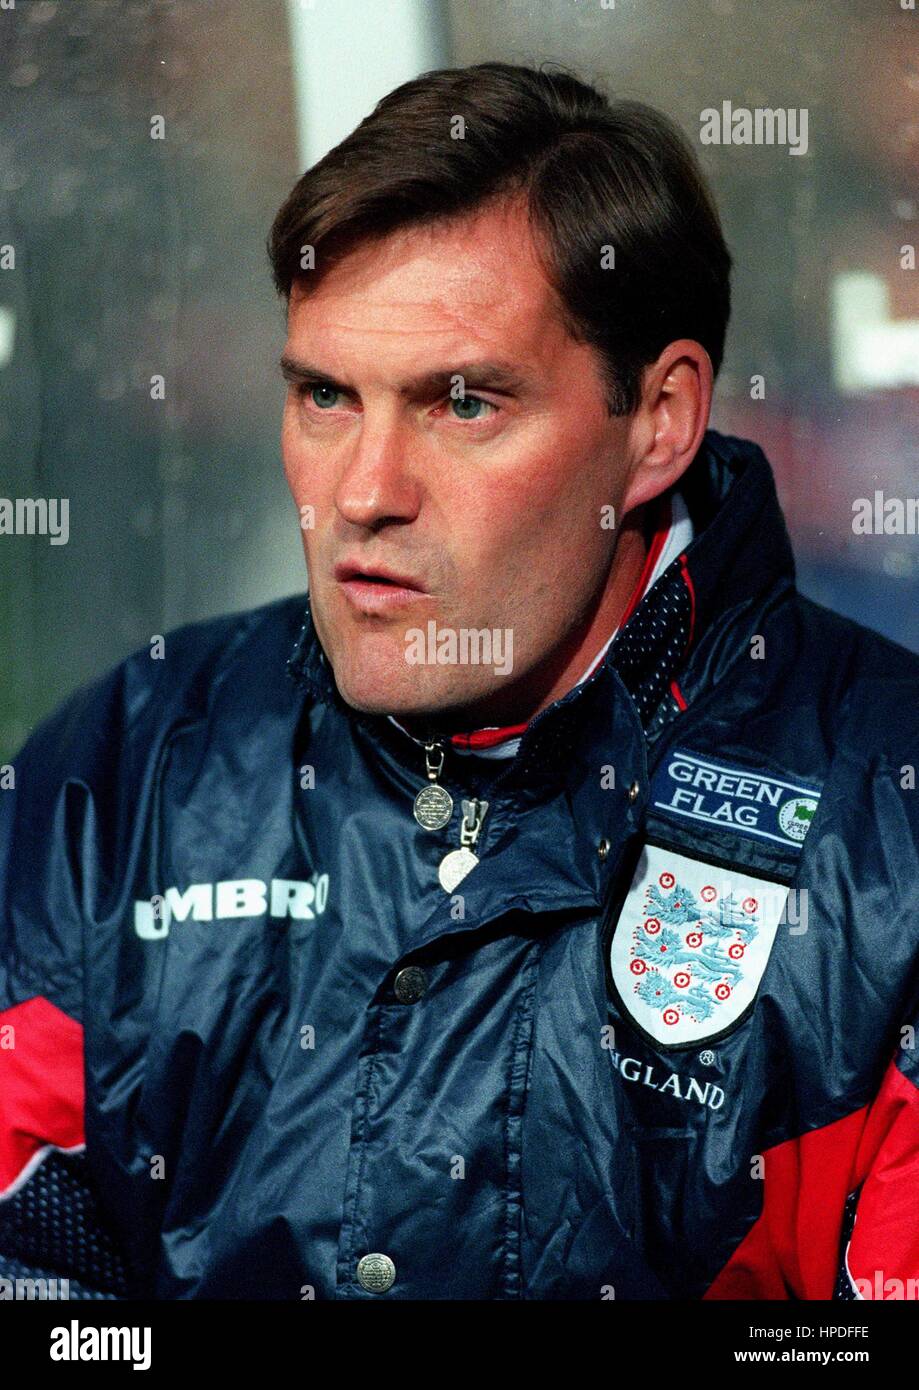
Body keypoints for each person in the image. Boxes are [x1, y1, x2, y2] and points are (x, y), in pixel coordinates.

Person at [1, 61, 917, 1301]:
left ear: (657, 422)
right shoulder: (129, 767)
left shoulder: (884, 826)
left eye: (463, 402)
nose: (364, 492)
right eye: (325, 395)